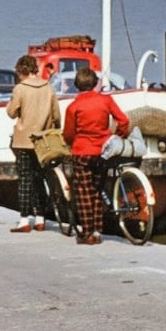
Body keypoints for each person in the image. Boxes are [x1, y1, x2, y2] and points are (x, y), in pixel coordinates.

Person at [62, 65, 130, 245]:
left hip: (82, 151)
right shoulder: (105, 101)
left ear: (77, 85)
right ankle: (98, 231)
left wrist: (71, 144)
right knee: (98, 190)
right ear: (94, 83)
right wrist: (118, 136)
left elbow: (68, 133)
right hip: (103, 151)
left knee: (84, 192)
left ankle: (87, 232)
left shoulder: (73, 107)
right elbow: (123, 121)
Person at [5, 54, 60, 232]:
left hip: (23, 141)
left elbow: (11, 113)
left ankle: (23, 221)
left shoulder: (20, 89)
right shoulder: (48, 87)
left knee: (25, 181)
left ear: (21, 70)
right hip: (43, 141)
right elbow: (56, 115)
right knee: (40, 179)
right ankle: (41, 218)